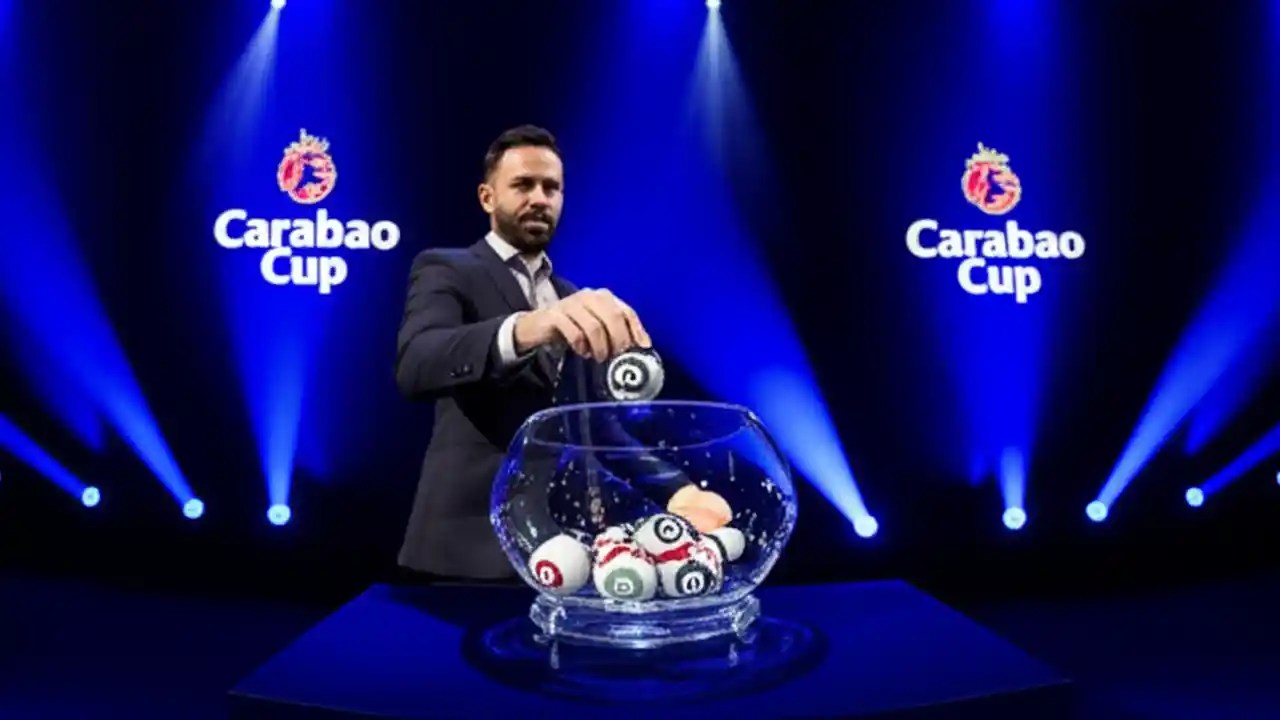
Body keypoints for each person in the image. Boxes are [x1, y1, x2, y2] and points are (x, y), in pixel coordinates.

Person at [394, 125, 730, 583]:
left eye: (551, 187)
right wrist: (529, 327)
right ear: (487, 197)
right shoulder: (447, 267)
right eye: (523, 185)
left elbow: (596, 426)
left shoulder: (569, 297)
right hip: (466, 548)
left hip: (562, 549)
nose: (539, 198)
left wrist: (678, 489)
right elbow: (417, 361)